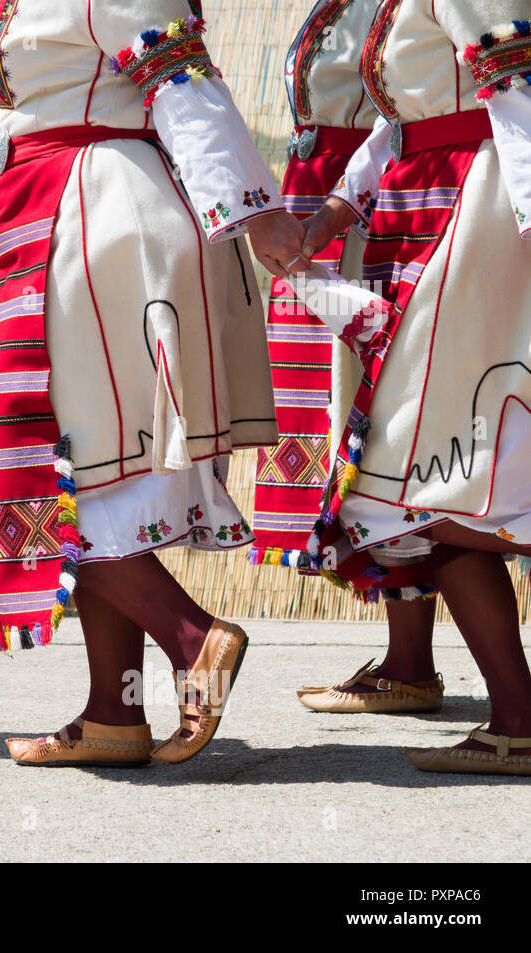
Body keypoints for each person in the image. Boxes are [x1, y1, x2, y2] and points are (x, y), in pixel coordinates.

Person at [0, 0, 307, 766]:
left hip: (105, 217)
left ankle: (194, 641)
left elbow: (179, 77)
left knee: (72, 463)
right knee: (80, 459)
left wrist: (254, 212)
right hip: (58, 214)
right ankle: (113, 712)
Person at [261, 0, 531, 774]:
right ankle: (512, 712)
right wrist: (336, 211)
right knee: (426, 485)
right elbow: (399, 124)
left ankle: (517, 716)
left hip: (474, 221)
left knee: (426, 485)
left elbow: (515, 92)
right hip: (420, 210)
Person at [254, 0, 443, 715]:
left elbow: (408, 114)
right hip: (328, 207)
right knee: (353, 430)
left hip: (380, 212)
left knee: (378, 432)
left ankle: (412, 662)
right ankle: (407, 657)